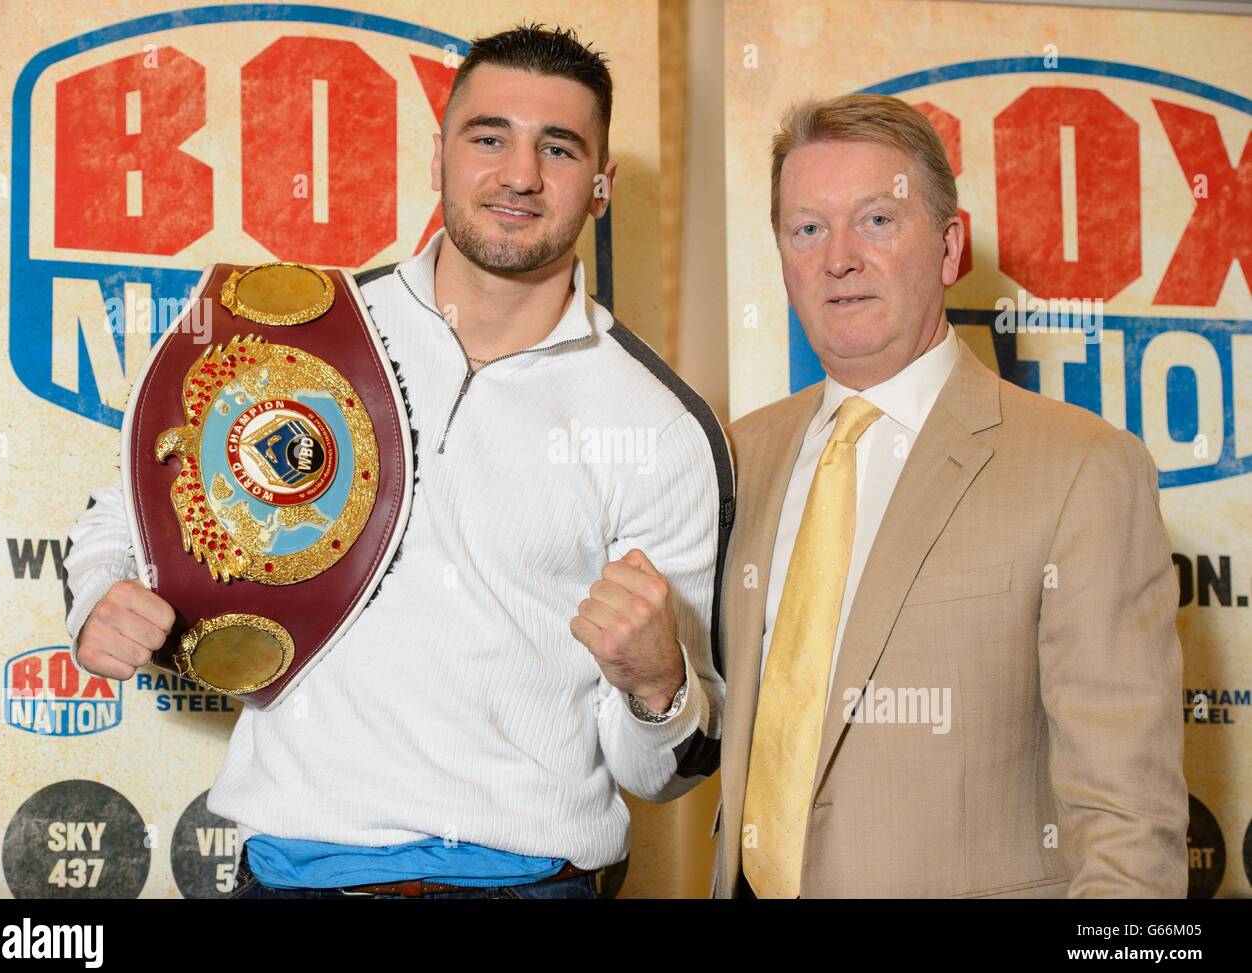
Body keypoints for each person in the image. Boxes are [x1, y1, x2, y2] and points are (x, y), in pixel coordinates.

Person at [63, 23, 731, 900]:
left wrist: (659, 684)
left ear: (601, 186)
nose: (520, 174)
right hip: (295, 873)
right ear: (440, 158)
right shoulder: (300, 333)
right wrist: (98, 598)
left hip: (531, 883)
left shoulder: (662, 426)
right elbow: (126, 510)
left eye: (558, 148)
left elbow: (666, 771)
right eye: (489, 137)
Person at [711, 93, 1186, 899]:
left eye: (878, 221)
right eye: (807, 228)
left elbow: (1127, 823)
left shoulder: (1082, 468)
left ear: (948, 246)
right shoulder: (738, 455)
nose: (839, 259)